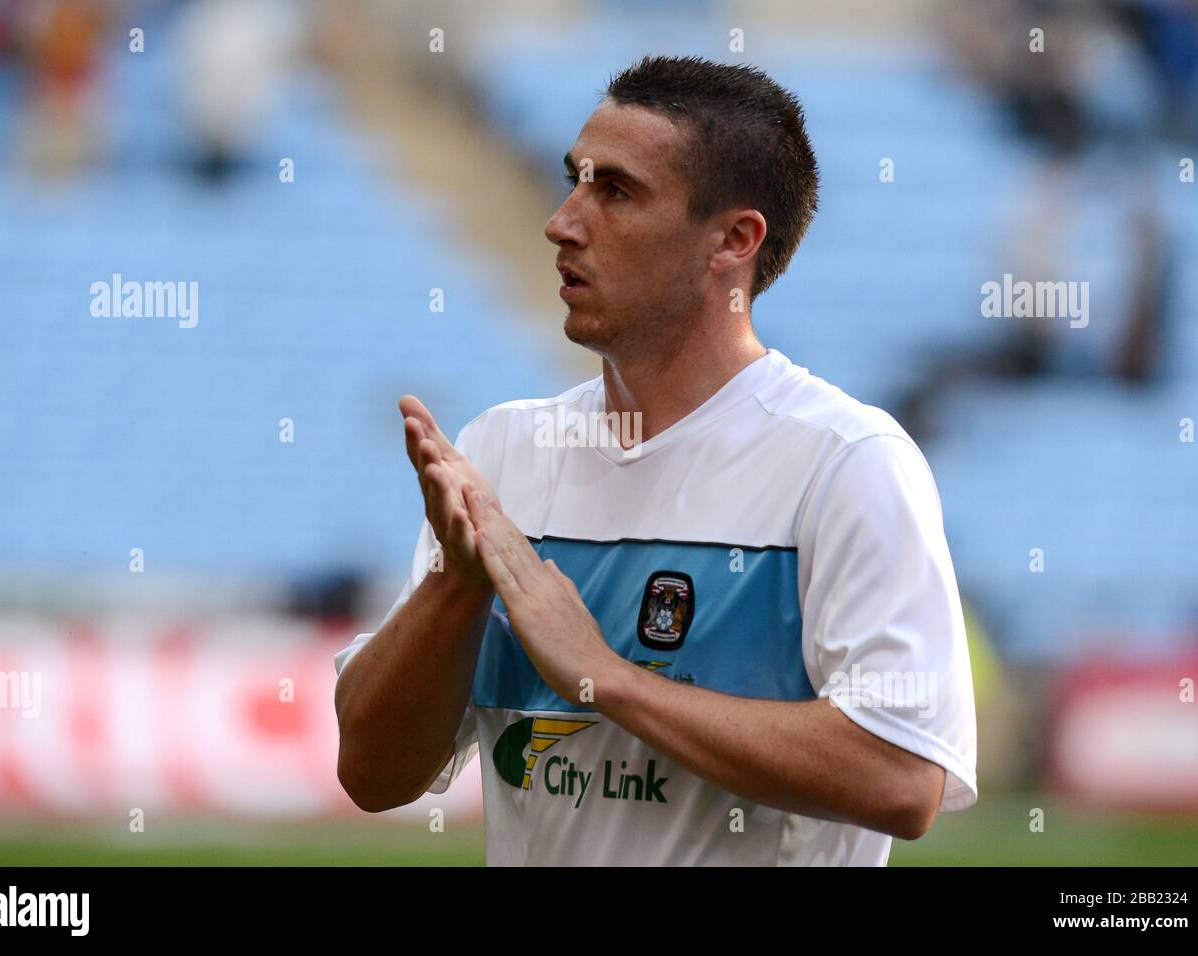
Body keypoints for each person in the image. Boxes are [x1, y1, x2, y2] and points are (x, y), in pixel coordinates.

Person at [334, 55, 977, 866]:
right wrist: (454, 587)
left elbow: (903, 777)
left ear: (733, 241)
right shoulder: (502, 451)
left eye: (616, 192)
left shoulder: (844, 463)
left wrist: (609, 678)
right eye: (575, 180)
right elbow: (371, 774)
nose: (562, 222)